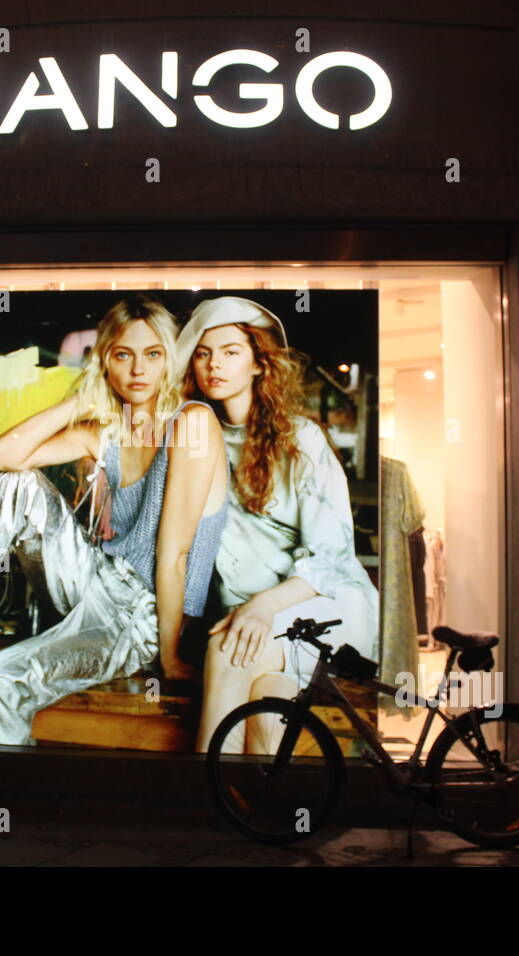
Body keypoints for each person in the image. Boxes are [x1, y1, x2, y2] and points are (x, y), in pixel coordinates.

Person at [0, 295, 228, 745]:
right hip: (94, 580)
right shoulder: (106, 431)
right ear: (104, 362)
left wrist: (168, 656)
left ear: (169, 360)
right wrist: (80, 401)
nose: (138, 371)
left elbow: (175, 554)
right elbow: (4, 457)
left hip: (143, 617)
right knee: (22, 484)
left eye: (152, 355)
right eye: (122, 355)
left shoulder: (192, 423)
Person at [177, 297, 380, 753]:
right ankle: (251, 813)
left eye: (231, 352)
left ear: (257, 364)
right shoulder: (193, 436)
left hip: (326, 605)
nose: (215, 365)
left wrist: (263, 606)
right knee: (263, 709)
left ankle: (199, 795)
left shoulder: (300, 437)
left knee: (229, 650)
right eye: (204, 353)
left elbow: (331, 557)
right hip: (250, 614)